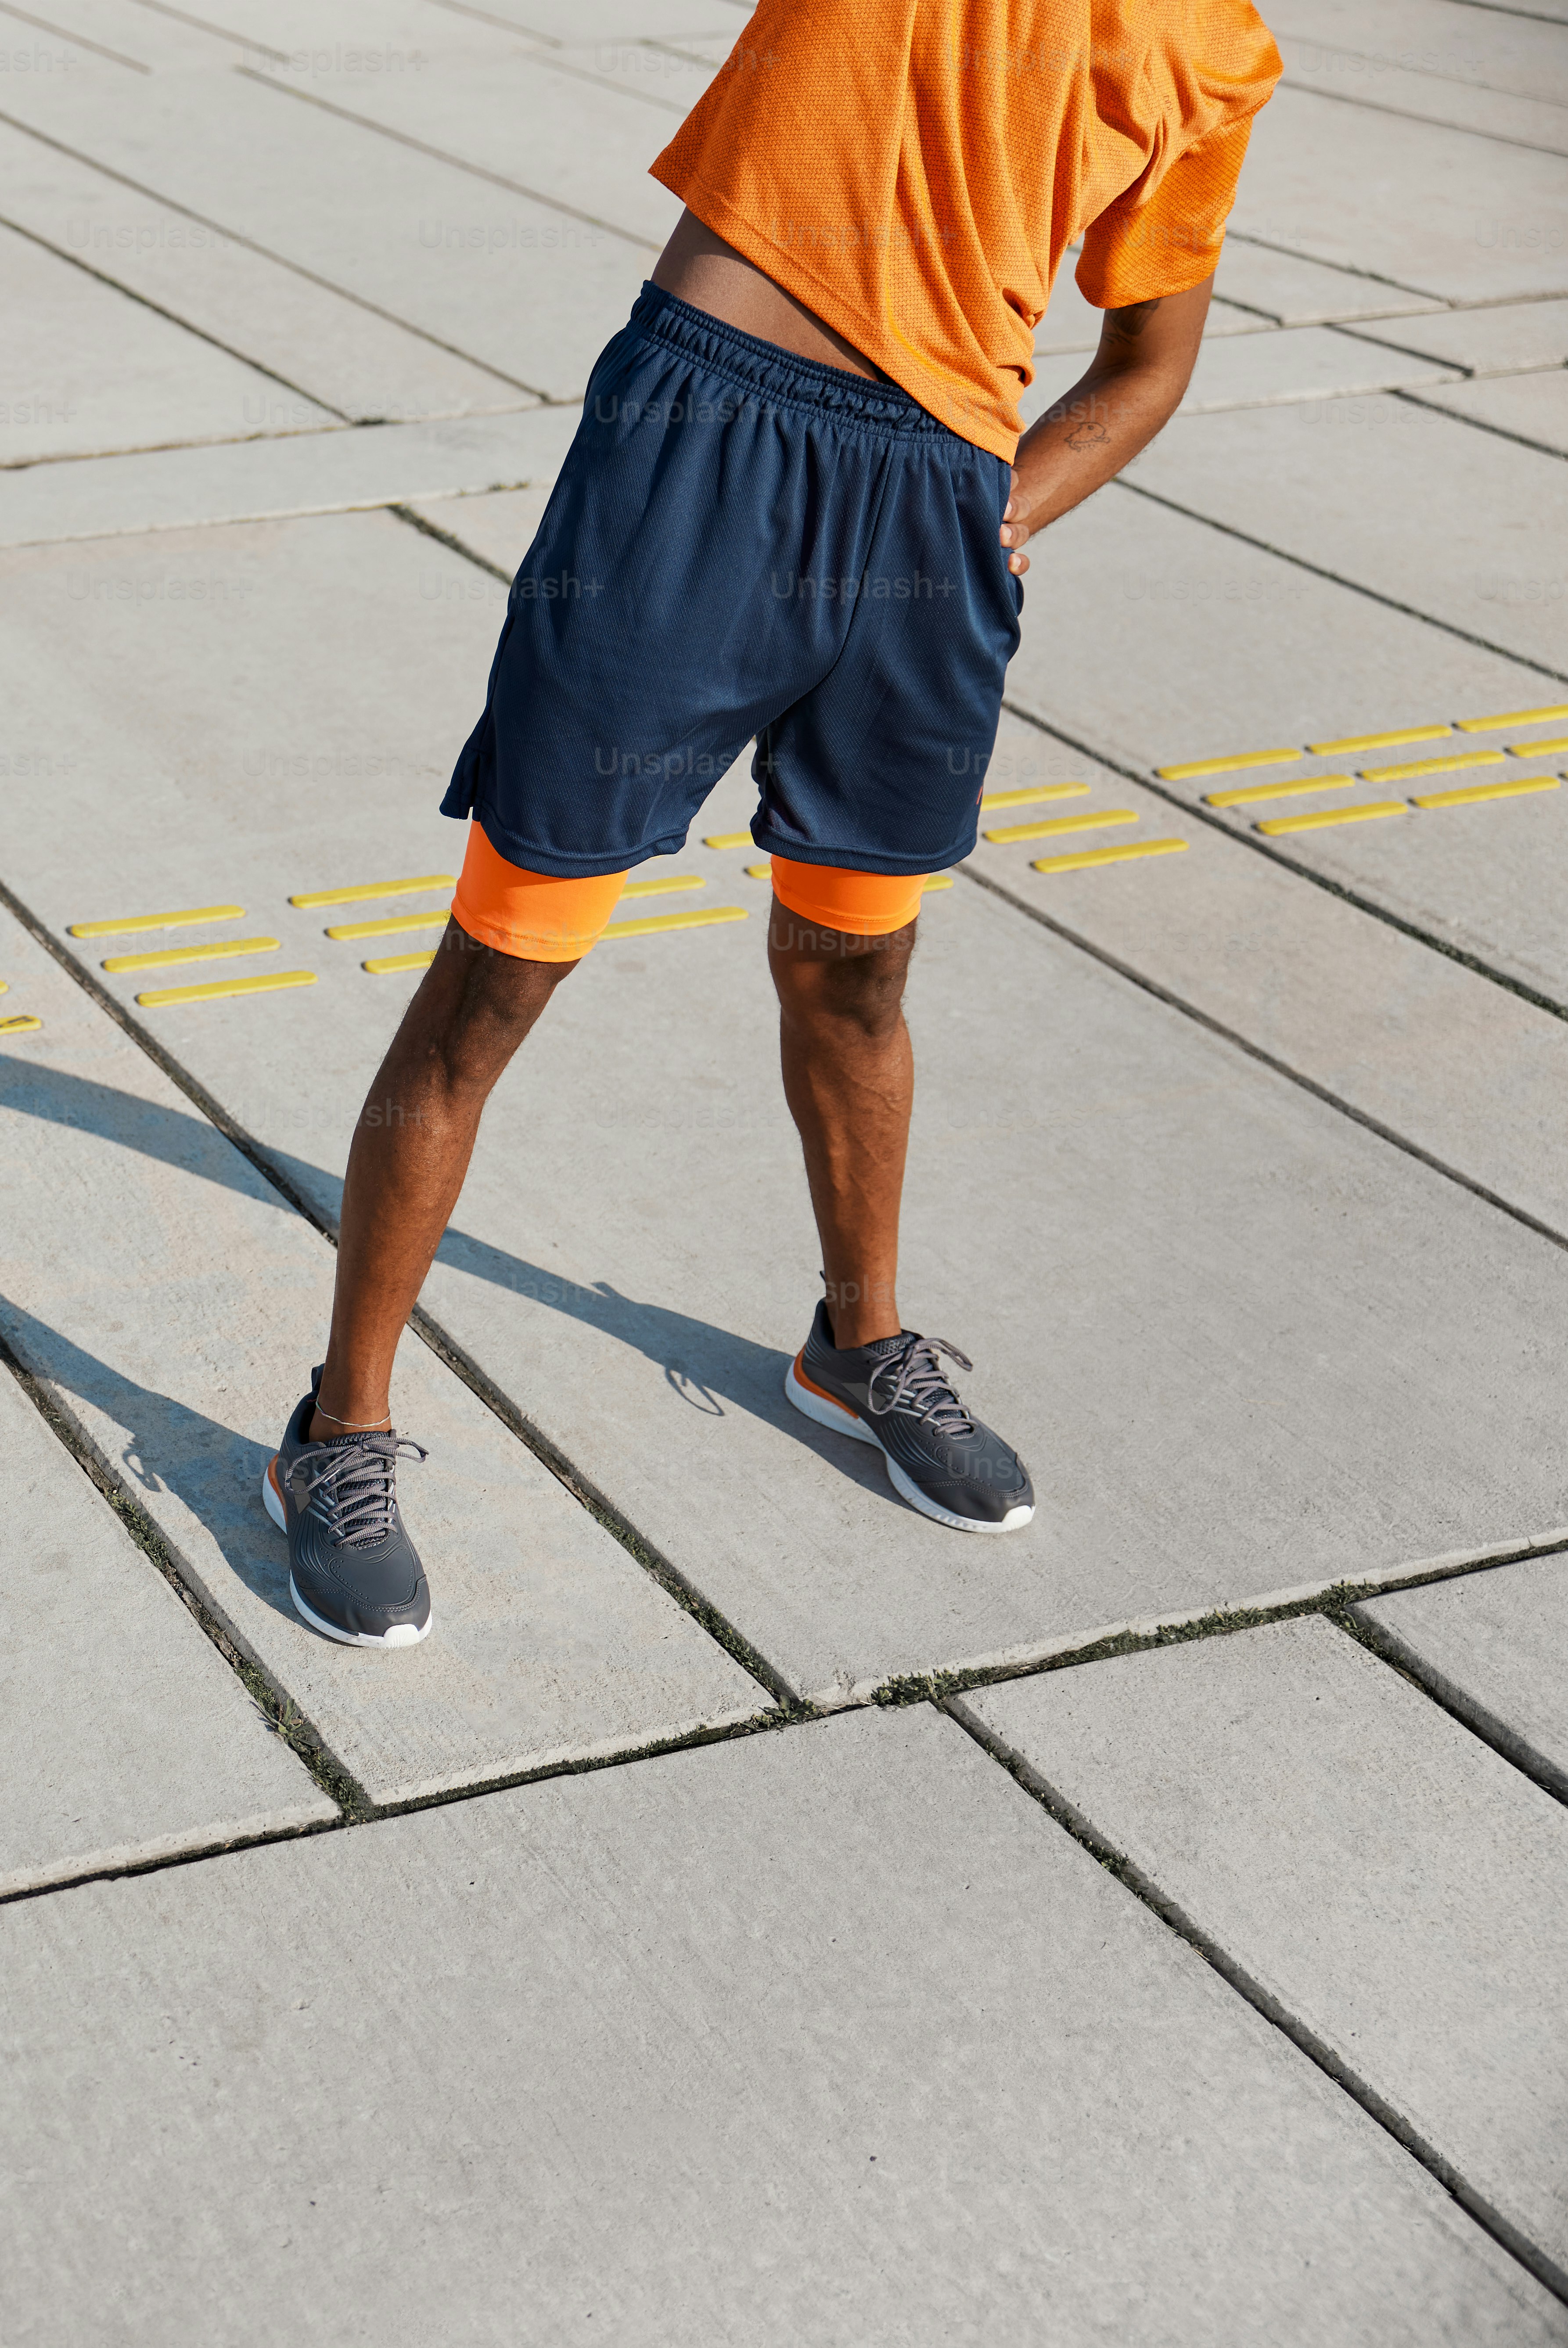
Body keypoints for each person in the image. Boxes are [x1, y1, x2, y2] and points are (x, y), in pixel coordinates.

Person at [266, 0, 1284, 1647]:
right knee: (499, 977)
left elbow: (1148, 364)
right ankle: (337, 1436)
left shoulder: (1215, 50)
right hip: (697, 451)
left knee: (854, 973)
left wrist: (991, 520)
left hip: (933, 505)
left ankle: (854, 1343)